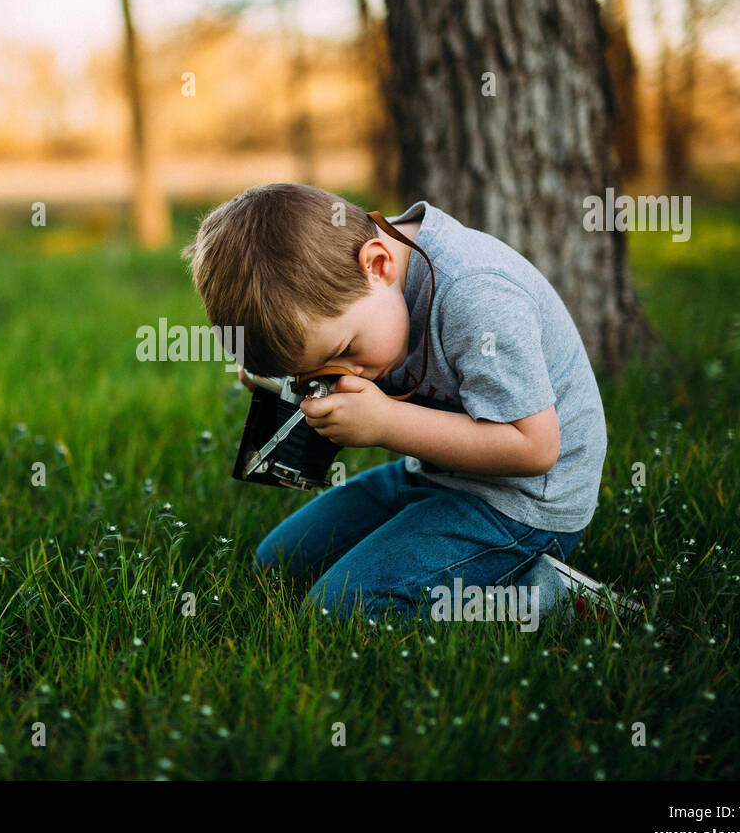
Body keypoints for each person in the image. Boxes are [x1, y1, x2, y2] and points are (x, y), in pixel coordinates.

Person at [179, 182, 608, 623]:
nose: (345, 374)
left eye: (343, 352)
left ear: (378, 265)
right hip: (435, 476)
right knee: (277, 565)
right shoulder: (356, 282)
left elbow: (535, 448)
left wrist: (385, 424)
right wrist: (280, 374)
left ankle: (544, 600)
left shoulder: (475, 294)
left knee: (338, 611)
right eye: (320, 369)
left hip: (524, 506)